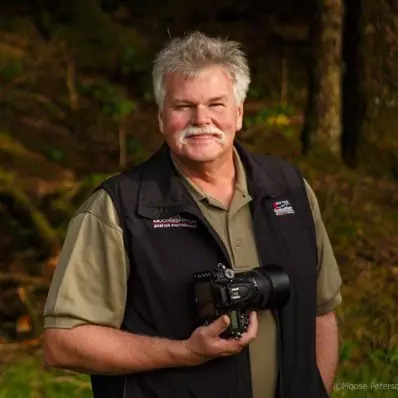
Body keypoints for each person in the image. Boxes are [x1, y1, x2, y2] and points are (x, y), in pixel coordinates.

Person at [43, 32, 342, 398]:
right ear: (160, 116)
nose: (201, 119)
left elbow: (321, 313)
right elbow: (63, 341)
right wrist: (184, 352)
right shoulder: (117, 208)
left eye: (216, 104)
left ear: (239, 112)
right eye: (183, 106)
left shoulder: (290, 190)